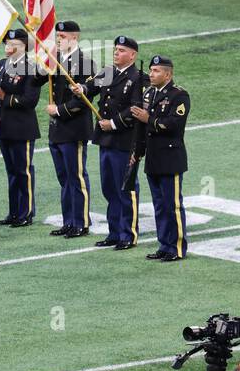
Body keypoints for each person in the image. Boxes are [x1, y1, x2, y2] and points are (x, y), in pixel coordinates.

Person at [73, 35, 143, 250]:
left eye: (121, 50)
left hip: (123, 140)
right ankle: (114, 232)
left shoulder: (139, 78)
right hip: (105, 140)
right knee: (109, 188)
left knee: (126, 189)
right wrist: (81, 89)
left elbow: (135, 110)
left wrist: (112, 124)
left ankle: (128, 235)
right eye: (115, 49)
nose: (116, 53)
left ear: (133, 55)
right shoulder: (108, 72)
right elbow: (91, 86)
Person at [38, 22, 94, 238]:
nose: (58, 39)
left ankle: (81, 222)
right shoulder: (54, 61)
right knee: (64, 178)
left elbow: (84, 100)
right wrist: (43, 65)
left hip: (73, 130)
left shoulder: (85, 63)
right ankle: (68, 221)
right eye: (57, 35)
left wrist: (59, 110)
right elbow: (35, 81)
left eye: (62, 35)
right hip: (57, 131)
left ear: (74, 38)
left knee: (76, 177)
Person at [131, 55, 189, 261]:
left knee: (172, 205)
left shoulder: (179, 96)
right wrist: (137, 152)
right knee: (159, 205)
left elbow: (174, 125)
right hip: (153, 159)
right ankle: (164, 245)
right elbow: (141, 129)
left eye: (156, 71)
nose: (151, 74)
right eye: (151, 70)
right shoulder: (148, 94)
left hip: (170, 158)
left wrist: (149, 119)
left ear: (168, 74)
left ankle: (178, 248)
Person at [0, 29, 40, 227]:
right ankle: (14, 212)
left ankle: (26, 212)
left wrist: (5, 98)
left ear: (24, 46)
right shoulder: (1, 65)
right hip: (4, 127)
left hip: (22, 128)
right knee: (11, 171)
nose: (9, 48)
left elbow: (30, 100)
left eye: (14, 44)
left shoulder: (31, 68)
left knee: (23, 171)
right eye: (7, 44)